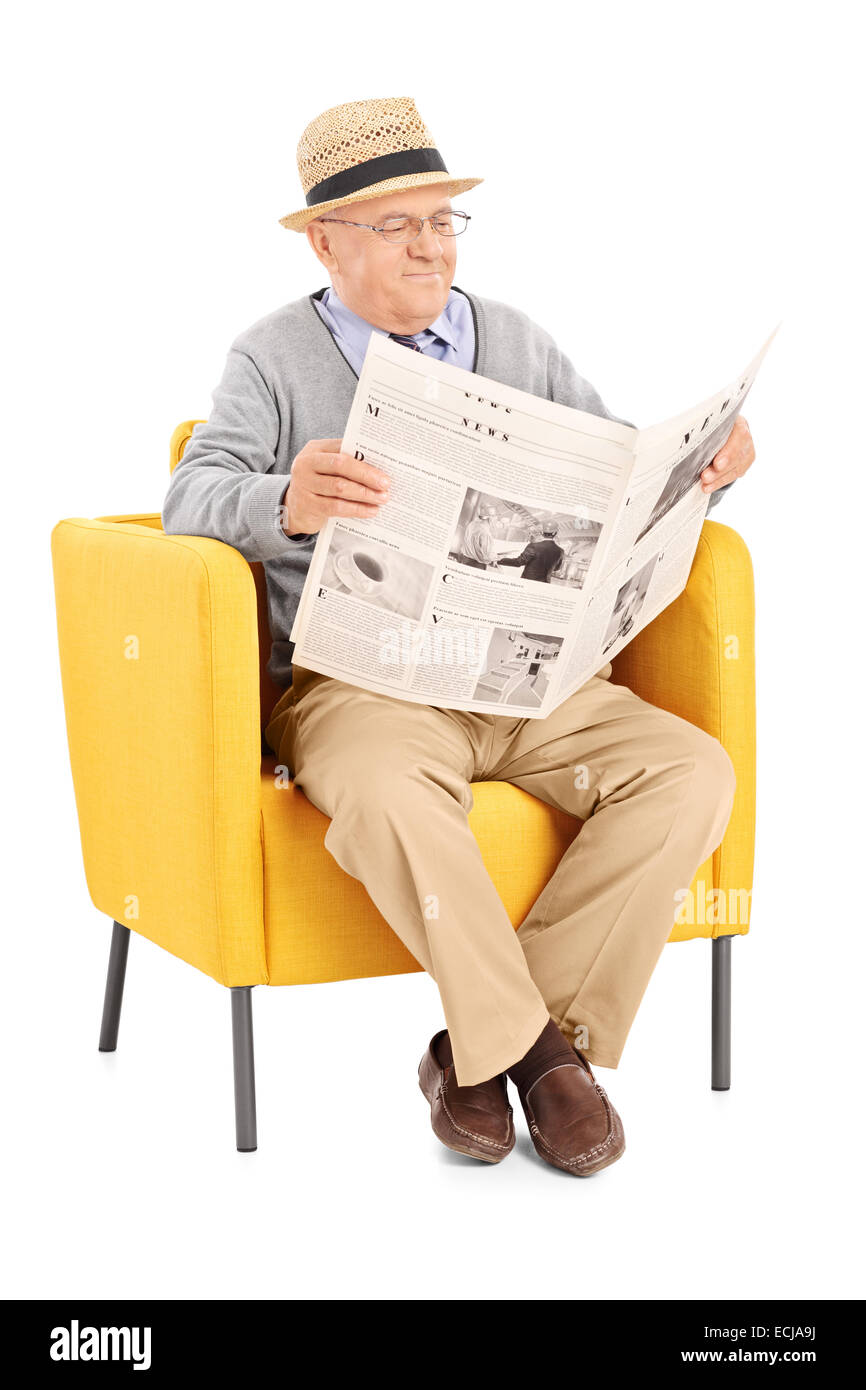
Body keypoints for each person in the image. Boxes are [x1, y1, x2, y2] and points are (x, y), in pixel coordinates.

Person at [162, 96, 756, 1177]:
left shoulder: (516, 338)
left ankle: (474, 1053)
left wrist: (698, 475)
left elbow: (612, 484)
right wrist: (282, 503)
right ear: (328, 239)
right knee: (388, 793)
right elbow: (186, 502)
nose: (430, 245)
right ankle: (542, 1060)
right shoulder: (269, 357)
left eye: (443, 221)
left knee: (689, 772)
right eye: (397, 225)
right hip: (364, 684)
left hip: (532, 682)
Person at [497, 521, 565, 583]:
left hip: (528, 581)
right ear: (555, 533)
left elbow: (518, 562)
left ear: (541, 532)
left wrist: (499, 560)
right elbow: (556, 568)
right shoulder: (560, 551)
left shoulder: (533, 546)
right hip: (545, 584)